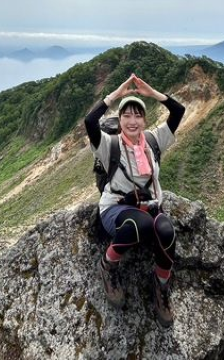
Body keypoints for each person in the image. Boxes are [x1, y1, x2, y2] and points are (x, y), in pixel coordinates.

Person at [84, 73, 185, 328]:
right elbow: (90, 121)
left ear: (144, 119)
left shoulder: (152, 141)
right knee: (139, 225)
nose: (132, 121)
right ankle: (107, 267)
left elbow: (178, 111)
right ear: (119, 120)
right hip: (116, 210)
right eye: (126, 115)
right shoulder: (110, 145)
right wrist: (115, 95)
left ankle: (161, 285)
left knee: (166, 232)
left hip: (150, 207)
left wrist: (152, 94)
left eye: (137, 115)